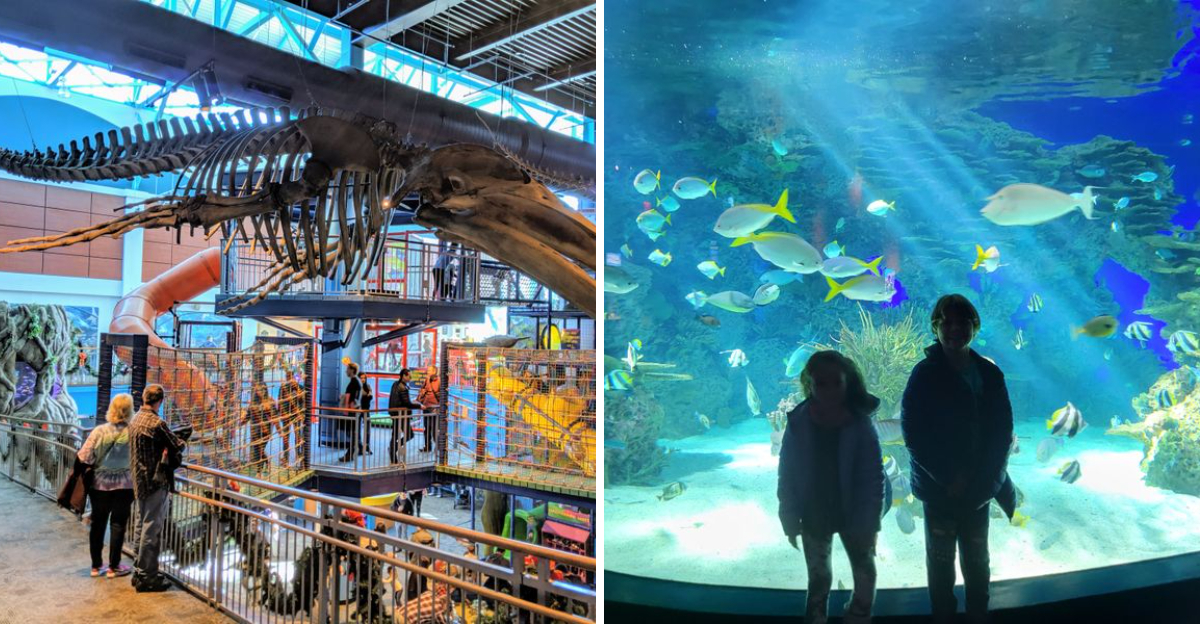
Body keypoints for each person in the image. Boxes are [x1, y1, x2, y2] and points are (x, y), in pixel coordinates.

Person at [901, 294, 1014, 624]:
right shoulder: (923, 375)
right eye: (946, 322)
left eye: (962, 322)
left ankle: (978, 615)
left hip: (979, 489)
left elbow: (1002, 430)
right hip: (939, 492)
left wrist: (987, 479)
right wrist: (949, 477)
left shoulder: (990, 374)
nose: (954, 329)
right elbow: (914, 432)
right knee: (940, 563)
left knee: (978, 561)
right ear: (935, 327)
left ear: (974, 327)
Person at [777, 350, 885, 624]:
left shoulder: (861, 423)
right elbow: (786, 474)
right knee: (819, 579)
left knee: (866, 575)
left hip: (855, 514)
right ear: (808, 385)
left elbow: (874, 476)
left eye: (835, 382)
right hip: (814, 514)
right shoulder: (798, 423)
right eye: (820, 384)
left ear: (848, 382)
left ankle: (858, 617)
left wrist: (871, 523)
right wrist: (789, 518)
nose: (828, 390)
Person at [128, 384, 185, 592]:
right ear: (159, 401)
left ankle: (138, 571)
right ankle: (147, 576)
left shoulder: (135, 419)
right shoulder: (157, 423)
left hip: (138, 479)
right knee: (151, 529)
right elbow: (177, 444)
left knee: (140, 526)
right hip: (154, 482)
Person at [77, 392, 135, 579]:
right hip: (125, 486)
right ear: (130, 410)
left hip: (99, 486)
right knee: (118, 525)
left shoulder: (99, 431)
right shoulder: (133, 432)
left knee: (98, 524)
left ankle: (96, 567)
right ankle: (114, 567)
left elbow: (84, 456)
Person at [388, 368, 418, 463]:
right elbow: (407, 403)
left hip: (394, 413)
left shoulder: (395, 384)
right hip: (401, 415)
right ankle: (393, 448)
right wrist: (419, 405)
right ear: (404, 376)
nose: (410, 378)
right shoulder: (403, 387)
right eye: (409, 376)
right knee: (409, 434)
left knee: (395, 435)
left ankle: (393, 456)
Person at [245, 382, 275, 471]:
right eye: (258, 390)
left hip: (266, 429)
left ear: (265, 390)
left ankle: (259, 470)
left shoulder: (269, 401)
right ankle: (266, 462)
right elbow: (248, 414)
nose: (260, 392)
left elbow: (274, 416)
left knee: (260, 448)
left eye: (262, 390)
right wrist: (241, 422)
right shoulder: (253, 402)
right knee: (258, 448)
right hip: (255, 429)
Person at [277, 374, 305, 464]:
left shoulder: (300, 387)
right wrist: (280, 413)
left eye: (291, 378)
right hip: (286, 415)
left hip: (296, 415)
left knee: (298, 435)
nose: (290, 380)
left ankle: (298, 453)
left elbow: (303, 400)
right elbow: (279, 401)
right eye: (288, 378)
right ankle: (286, 457)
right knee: (286, 436)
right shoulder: (283, 388)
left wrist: (298, 393)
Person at [340, 361, 362, 463]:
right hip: (353, 411)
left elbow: (354, 398)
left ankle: (350, 454)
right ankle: (353, 452)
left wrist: (347, 407)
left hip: (353, 411)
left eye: (347, 369)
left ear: (352, 370)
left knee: (353, 433)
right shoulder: (355, 381)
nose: (346, 371)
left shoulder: (354, 382)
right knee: (353, 433)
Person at [416, 366, 440, 453]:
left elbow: (441, 394)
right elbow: (423, 389)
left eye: (429, 370)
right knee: (427, 428)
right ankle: (427, 446)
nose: (428, 371)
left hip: (434, 408)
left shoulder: (439, 381)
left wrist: (439, 406)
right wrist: (422, 394)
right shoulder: (427, 380)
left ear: (434, 371)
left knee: (434, 429)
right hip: (426, 407)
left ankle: (438, 447)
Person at [359, 371, 374, 456]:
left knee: (367, 429)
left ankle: (367, 446)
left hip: (366, 410)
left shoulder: (367, 386)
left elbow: (370, 396)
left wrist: (367, 395)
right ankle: (360, 447)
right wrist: (367, 395)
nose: (363, 379)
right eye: (361, 378)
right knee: (357, 429)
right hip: (358, 410)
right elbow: (363, 396)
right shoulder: (357, 387)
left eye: (364, 378)